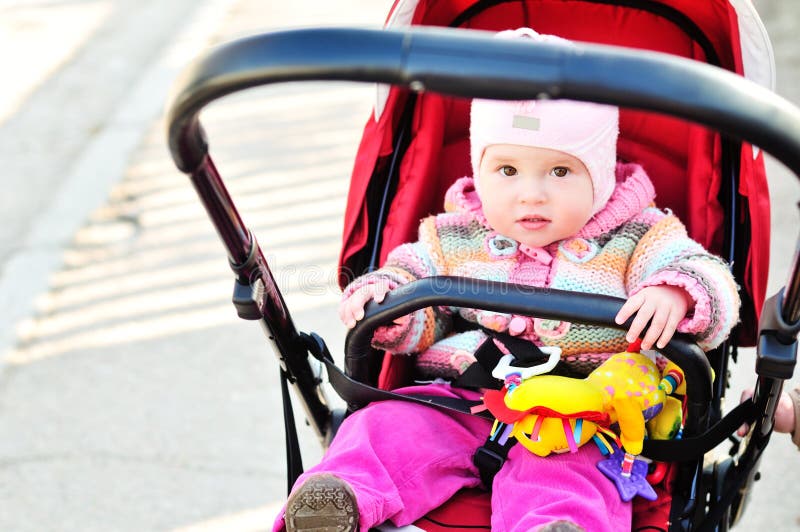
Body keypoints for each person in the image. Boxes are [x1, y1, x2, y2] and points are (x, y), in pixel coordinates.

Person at [276, 28, 740, 532]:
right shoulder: (454, 235)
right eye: (507, 170)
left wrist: (676, 291)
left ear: (601, 173)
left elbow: (709, 275)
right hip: (463, 398)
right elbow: (417, 295)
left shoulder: (639, 235)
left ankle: (555, 527)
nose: (530, 194)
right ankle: (338, 498)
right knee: (385, 428)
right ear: (480, 169)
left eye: (560, 172)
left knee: (570, 478)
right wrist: (390, 304)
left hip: (581, 417)